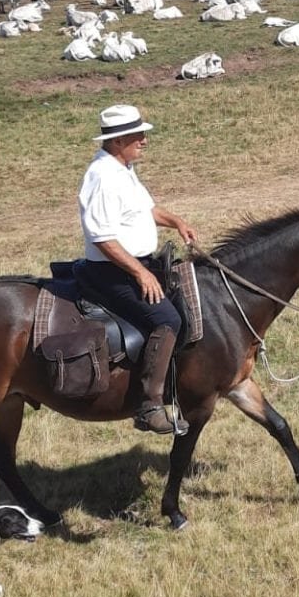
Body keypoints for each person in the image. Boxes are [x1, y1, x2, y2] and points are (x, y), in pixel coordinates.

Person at [77, 104, 197, 435]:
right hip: (112, 271)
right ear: (117, 142)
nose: (144, 140)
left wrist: (176, 221)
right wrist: (139, 273)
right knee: (167, 319)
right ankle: (149, 406)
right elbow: (102, 238)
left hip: (134, 265)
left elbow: (145, 210)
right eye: (138, 135)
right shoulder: (101, 177)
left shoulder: (123, 168)